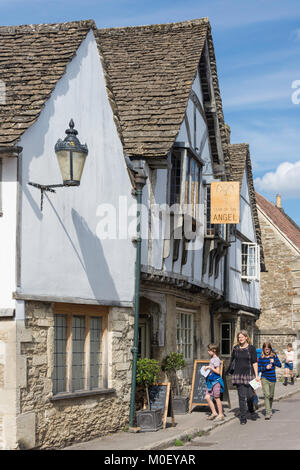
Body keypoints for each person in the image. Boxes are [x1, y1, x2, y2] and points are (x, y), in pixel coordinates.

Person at [227, 330, 260, 425]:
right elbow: (232, 361)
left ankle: (251, 410)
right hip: (238, 375)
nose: (240, 339)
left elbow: (254, 362)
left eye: (242, 337)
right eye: (239, 337)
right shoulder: (235, 348)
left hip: (250, 375)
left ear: (246, 337)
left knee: (250, 396)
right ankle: (243, 417)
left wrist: (257, 376)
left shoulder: (251, 348)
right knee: (241, 397)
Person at [258, 342, 281, 420]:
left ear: (270, 349)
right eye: (265, 349)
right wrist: (265, 367)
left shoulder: (274, 356)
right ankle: (268, 413)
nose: (267, 350)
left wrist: (273, 362)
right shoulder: (261, 357)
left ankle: (270, 409)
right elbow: (258, 368)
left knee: (271, 396)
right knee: (266, 395)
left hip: (272, 378)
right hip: (264, 378)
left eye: (268, 349)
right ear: (263, 349)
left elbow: (280, 365)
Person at [204, 344, 225, 421]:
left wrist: (209, 367)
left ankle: (221, 414)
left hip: (216, 382)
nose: (208, 352)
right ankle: (214, 413)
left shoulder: (216, 359)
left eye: (209, 350)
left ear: (214, 350)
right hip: (210, 381)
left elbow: (218, 371)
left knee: (217, 398)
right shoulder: (212, 359)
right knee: (207, 397)